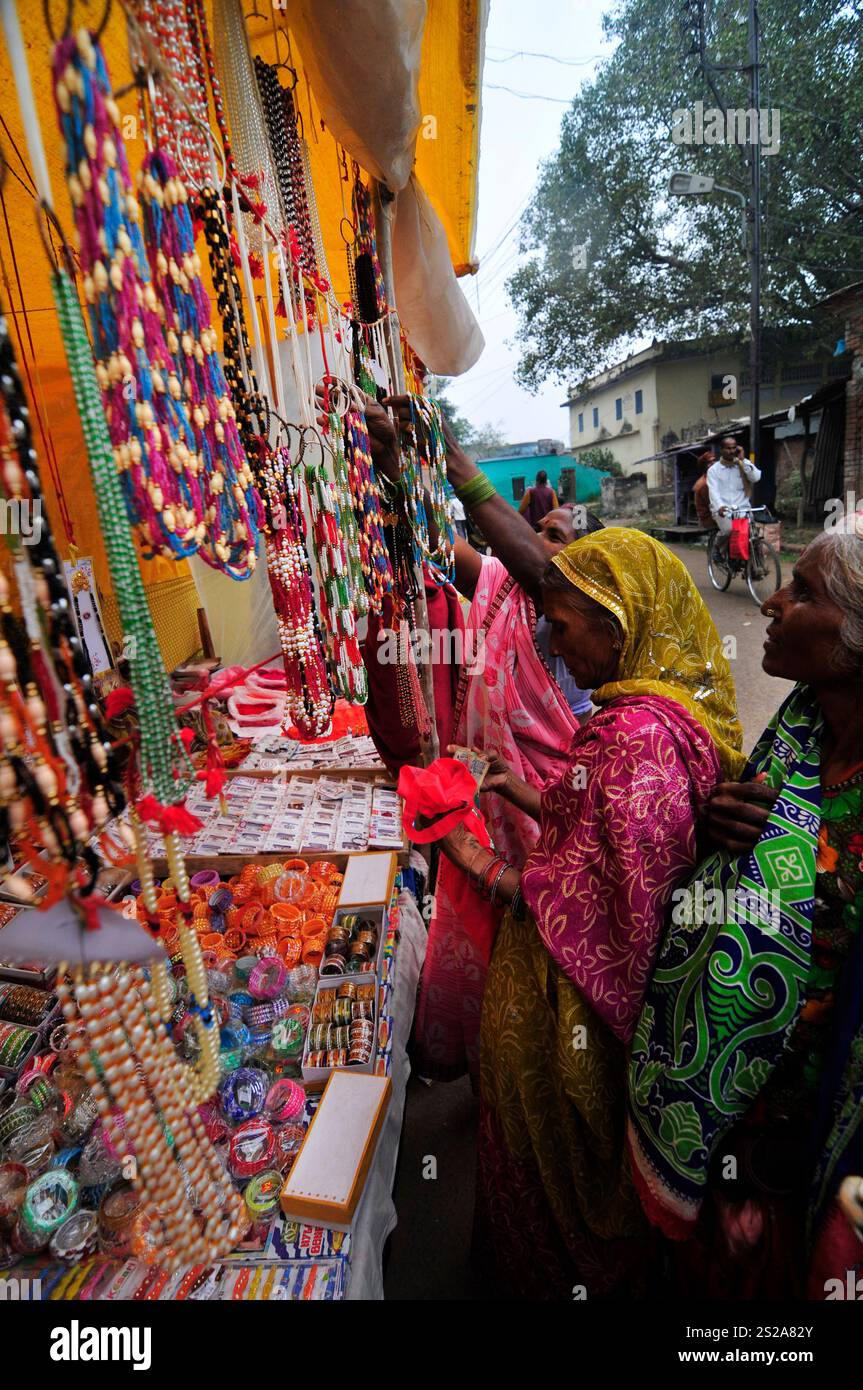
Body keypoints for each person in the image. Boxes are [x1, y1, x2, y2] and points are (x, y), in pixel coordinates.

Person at [438, 529, 745, 1296]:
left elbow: (602, 907)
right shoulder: (665, 711)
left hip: (570, 1012)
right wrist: (514, 786)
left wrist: (473, 859)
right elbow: (601, 832)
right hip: (576, 1003)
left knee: (561, 1182)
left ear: (617, 621)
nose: (550, 642)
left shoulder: (632, 737)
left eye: (563, 625)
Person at [627, 525, 863, 1300]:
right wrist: (718, 826)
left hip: (819, 1107)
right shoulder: (801, 728)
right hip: (738, 1096)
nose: (771, 601)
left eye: (801, 592)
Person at [370, 397, 599, 1084]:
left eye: (567, 541)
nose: (552, 549)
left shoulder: (589, 642)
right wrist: (394, 469)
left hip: (552, 822)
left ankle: (551, 1079)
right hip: (495, 818)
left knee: (556, 967)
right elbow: (439, 543)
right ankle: (503, 1071)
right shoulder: (500, 588)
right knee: (501, 962)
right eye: (547, 534)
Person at [707, 436, 761, 552]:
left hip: (743, 509)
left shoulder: (742, 465)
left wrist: (743, 460)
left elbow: (756, 477)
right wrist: (719, 507)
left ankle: (755, 564)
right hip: (724, 510)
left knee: (754, 536)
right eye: (728, 448)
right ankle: (717, 549)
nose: (732, 451)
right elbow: (713, 491)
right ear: (721, 450)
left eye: (734, 448)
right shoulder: (714, 470)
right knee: (729, 530)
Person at [692, 449, 715, 529]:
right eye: (709, 462)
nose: (713, 464)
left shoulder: (712, 479)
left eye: (714, 461)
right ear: (704, 466)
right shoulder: (704, 484)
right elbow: (712, 503)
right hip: (709, 518)